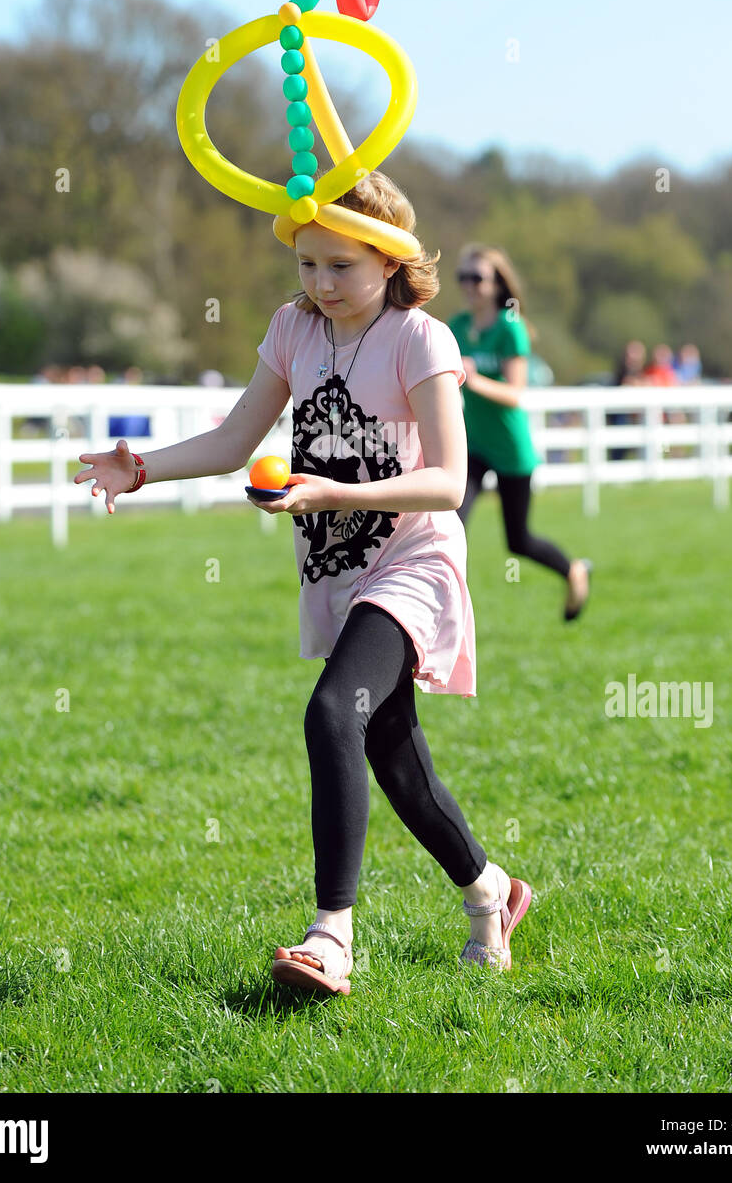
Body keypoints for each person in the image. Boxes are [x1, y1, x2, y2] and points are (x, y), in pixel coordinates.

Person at [74, 172, 533, 995]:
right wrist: (139, 469)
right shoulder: (293, 328)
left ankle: (332, 937)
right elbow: (232, 438)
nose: (321, 284)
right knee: (394, 758)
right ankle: (491, 893)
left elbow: (448, 481)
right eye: (308, 264)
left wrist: (336, 492)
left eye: (341, 267)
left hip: (413, 557)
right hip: (336, 564)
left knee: (330, 712)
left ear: (389, 263)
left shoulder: (421, 340)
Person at [448, 244, 591, 622]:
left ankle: (573, 570)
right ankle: (443, 613)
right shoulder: (456, 327)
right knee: (451, 523)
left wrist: (474, 380)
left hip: (511, 451)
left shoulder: (510, 330)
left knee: (518, 541)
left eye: (476, 278)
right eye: (462, 277)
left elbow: (515, 394)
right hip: (474, 446)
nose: (468, 285)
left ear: (496, 285)